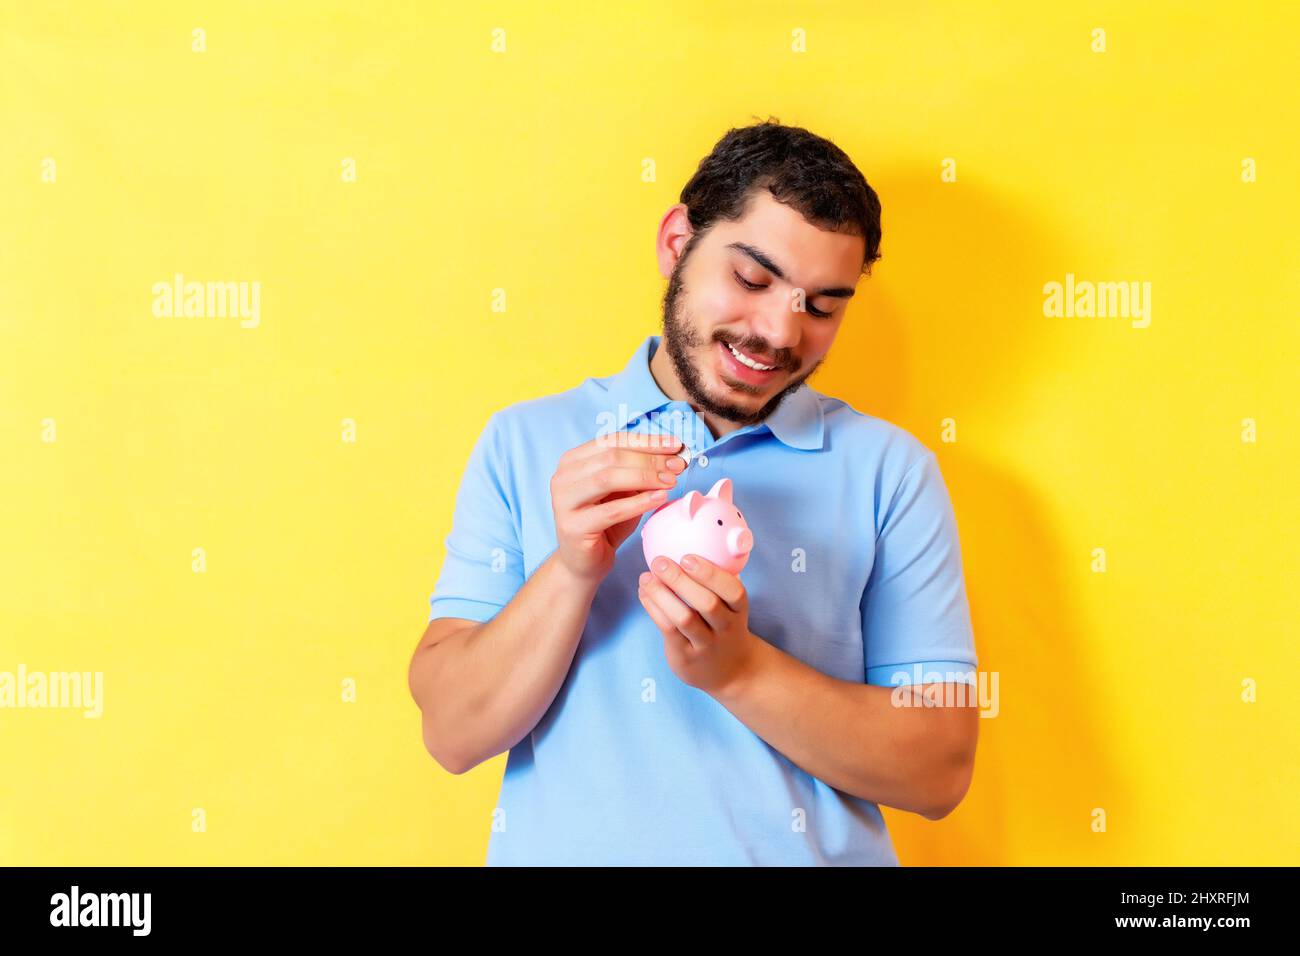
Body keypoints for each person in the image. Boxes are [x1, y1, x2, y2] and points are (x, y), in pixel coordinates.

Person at [408, 119, 979, 865]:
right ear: (677, 242)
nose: (780, 330)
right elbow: (452, 732)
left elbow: (938, 767)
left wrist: (741, 670)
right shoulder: (526, 443)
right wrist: (572, 570)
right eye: (752, 278)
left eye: (822, 306)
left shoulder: (891, 472)